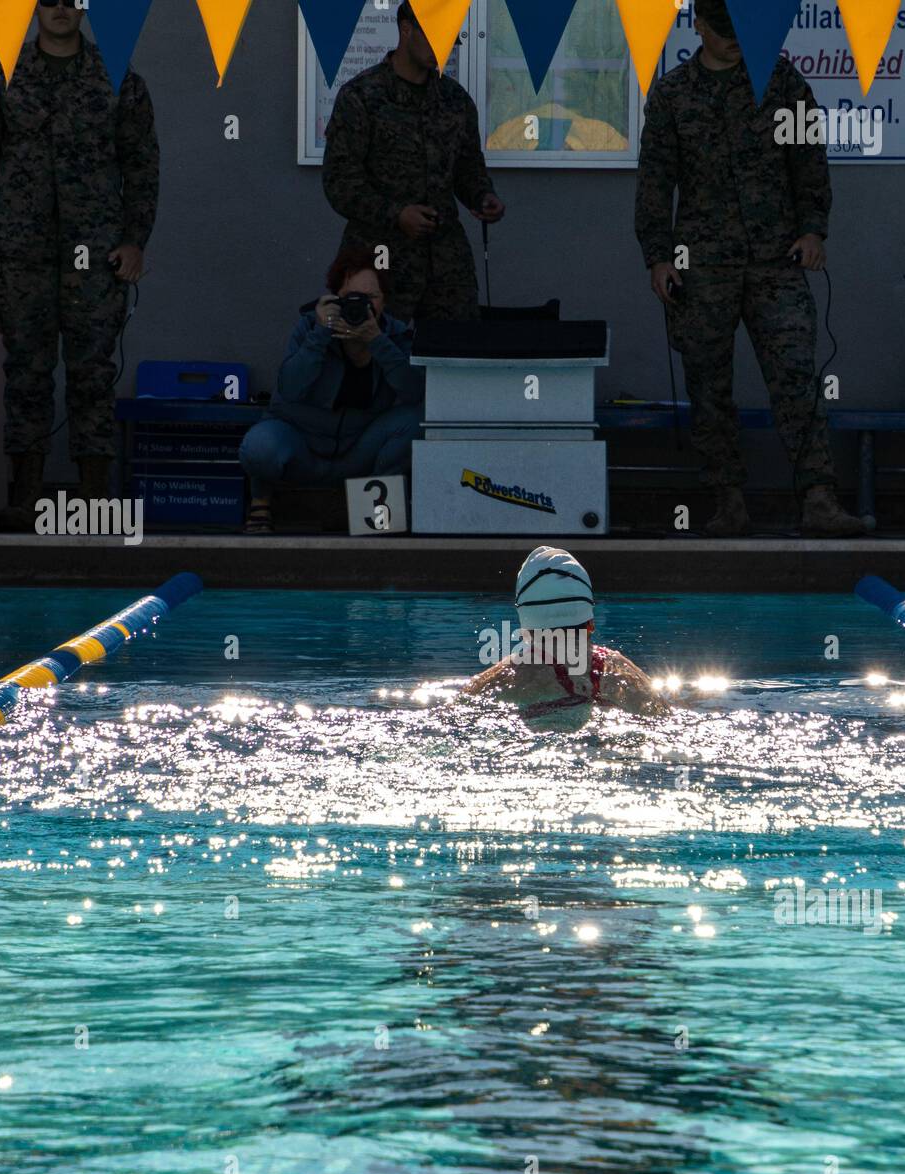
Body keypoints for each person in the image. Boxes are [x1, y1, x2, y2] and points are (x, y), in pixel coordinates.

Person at [634, 0, 863, 539]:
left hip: (774, 259)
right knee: (710, 386)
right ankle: (727, 500)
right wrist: (658, 255)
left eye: (740, 30)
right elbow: (654, 183)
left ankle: (819, 498)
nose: (732, 40)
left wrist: (813, 230)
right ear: (699, 28)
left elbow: (809, 161)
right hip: (702, 264)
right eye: (721, 31)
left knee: (796, 379)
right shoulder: (673, 94)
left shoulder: (780, 82)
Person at [0, 0, 159, 529]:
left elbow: (141, 167)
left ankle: (93, 499)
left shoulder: (119, 78)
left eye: (73, 1)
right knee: (26, 373)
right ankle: (26, 498)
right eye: (50, 0)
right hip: (20, 251)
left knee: (93, 374)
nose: (62, 9)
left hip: (97, 255)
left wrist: (135, 241)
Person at [322, 0, 504, 325]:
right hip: (380, 263)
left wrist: (483, 197)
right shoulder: (361, 97)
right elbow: (340, 183)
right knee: (378, 361)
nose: (444, 47)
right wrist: (396, 214)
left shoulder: (455, 101)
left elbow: (468, 168)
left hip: (446, 266)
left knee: (455, 356)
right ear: (406, 29)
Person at [238, 249, 425, 534]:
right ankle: (261, 503)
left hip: (357, 451)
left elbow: (413, 392)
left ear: (384, 301)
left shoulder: (394, 335)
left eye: (371, 298)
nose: (360, 306)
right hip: (303, 446)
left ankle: (371, 509)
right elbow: (290, 388)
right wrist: (320, 334)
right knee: (259, 447)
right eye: (352, 297)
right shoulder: (310, 327)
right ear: (335, 297)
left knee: (415, 420)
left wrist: (378, 343)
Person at [463, 547, 671, 726]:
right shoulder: (622, 672)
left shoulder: (503, 679)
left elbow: (455, 719)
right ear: (591, 623)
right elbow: (665, 719)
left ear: (526, 628)